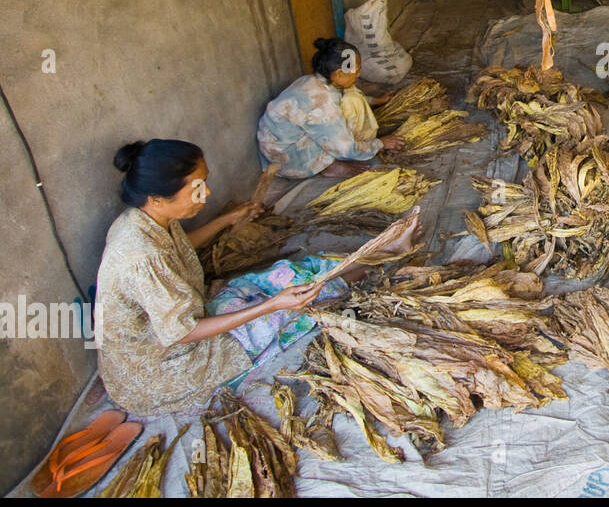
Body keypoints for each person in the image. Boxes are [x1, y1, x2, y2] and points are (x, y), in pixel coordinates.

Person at [95, 139, 418, 416]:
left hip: (185, 321)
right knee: (290, 312)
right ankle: (372, 264)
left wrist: (227, 219)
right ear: (157, 198)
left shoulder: (145, 218)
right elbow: (183, 332)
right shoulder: (141, 255)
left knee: (284, 276)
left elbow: (180, 249)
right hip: (161, 367)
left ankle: (370, 257)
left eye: (204, 182)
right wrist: (269, 307)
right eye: (196, 188)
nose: (206, 193)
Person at [257, 37, 404, 180]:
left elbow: (341, 97)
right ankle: (328, 166)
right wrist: (380, 143)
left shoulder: (313, 81)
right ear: (339, 73)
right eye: (356, 70)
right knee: (340, 137)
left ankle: (326, 161)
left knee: (351, 94)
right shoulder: (323, 104)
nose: (358, 74)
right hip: (286, 159)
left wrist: (376, 100)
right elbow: (346, 149)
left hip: (278, 141)